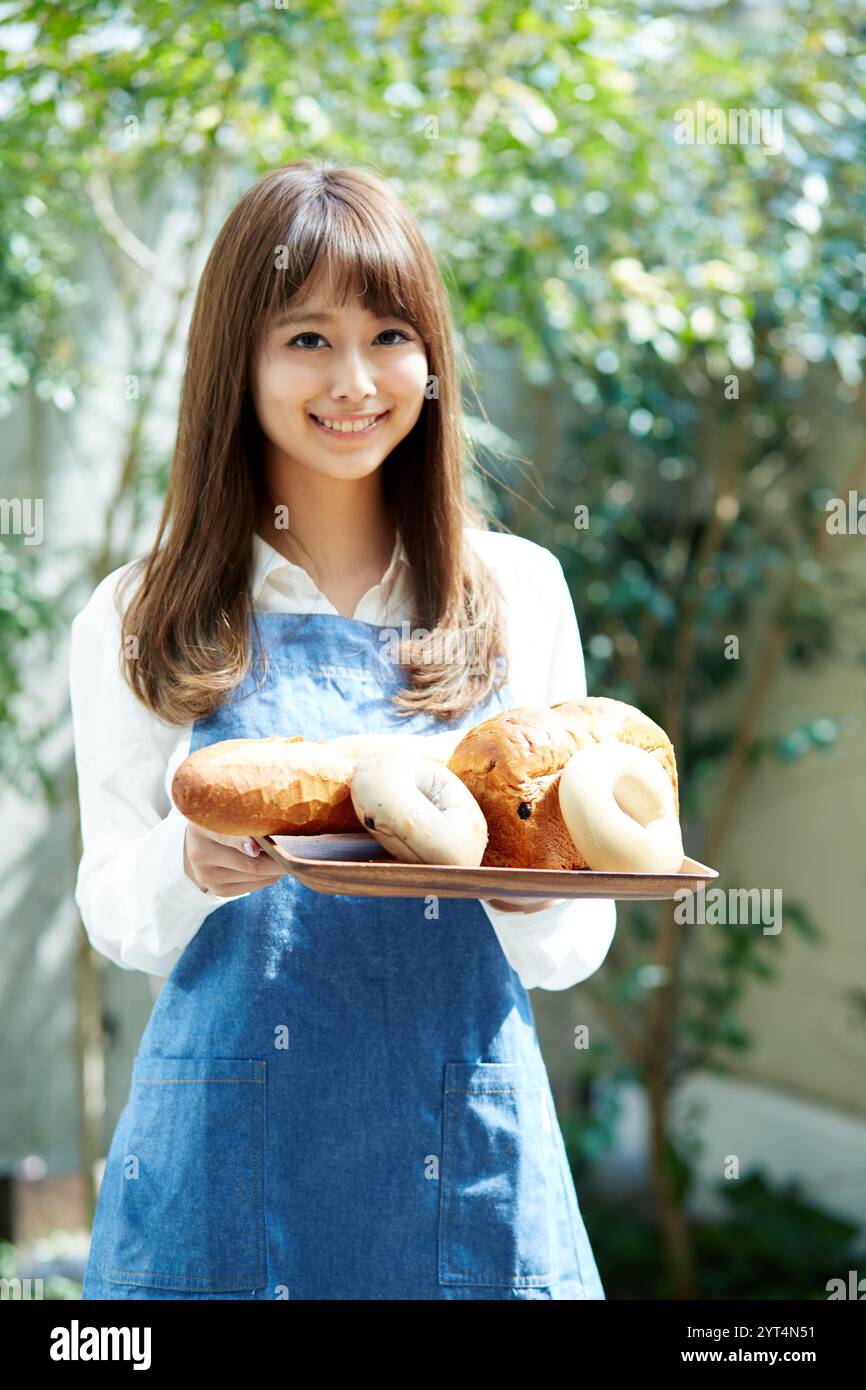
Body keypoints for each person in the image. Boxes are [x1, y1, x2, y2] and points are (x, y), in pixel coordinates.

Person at [70, 159, 616, 1300]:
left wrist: (524, 883)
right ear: (238, 360)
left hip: (460, 1145)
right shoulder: (139, 612)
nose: (355, 378)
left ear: (430, 358)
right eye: (306, 338)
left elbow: (573, 948)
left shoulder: (515, 591)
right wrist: (190, 860)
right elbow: (117, 909)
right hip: (228, 1152)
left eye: (388, 333)